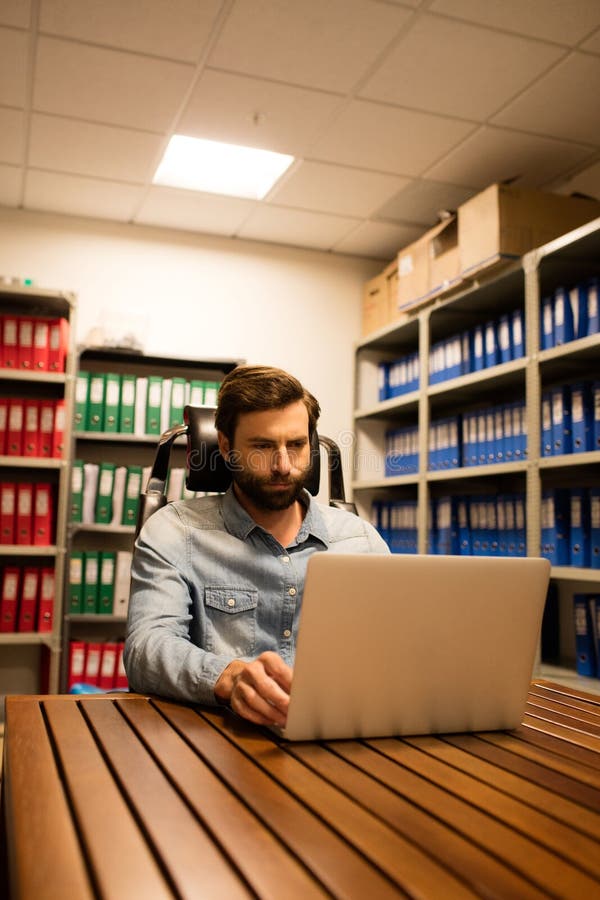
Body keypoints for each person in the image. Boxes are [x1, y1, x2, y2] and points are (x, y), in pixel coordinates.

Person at [124, 365, 389, 728]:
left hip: (336, 733)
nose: (283, 465)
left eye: (296, 445)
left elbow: (396, 653)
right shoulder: (175, 532)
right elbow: (146, 649)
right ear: (226, 446)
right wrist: (228, 677)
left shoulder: (360, 539)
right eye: (263, 447)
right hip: (216, 743)